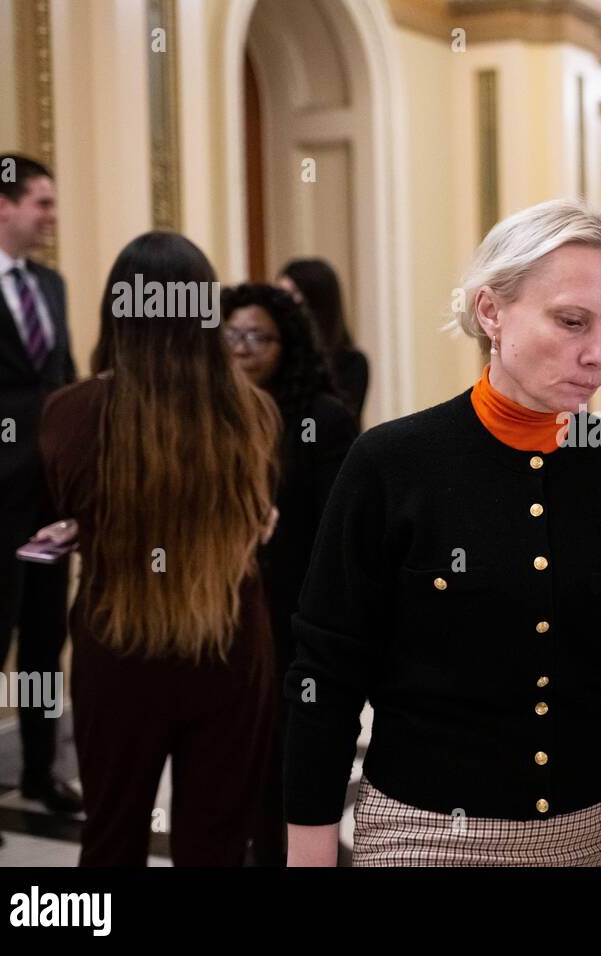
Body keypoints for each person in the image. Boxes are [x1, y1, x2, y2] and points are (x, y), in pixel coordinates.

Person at [285, 198, 601, 867]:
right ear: (490, 311)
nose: (598, 354)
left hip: (596, 834)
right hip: (425, 837)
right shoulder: (392, 465)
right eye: (571, 322)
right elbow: (325, 677)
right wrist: (309, 857)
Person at [38, 232, 281, 866]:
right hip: (227, 649)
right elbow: (256, 523)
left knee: (112, 838)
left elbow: (69, 501)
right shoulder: (253, 413)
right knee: (217, 845)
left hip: (118, 651)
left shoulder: (68, 413)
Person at [0, 154, 80, 851]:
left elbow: (58, 379)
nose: (51, 216)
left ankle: (40, 773)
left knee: (44, 638)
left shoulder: (50, 284)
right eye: (41, 202)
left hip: (46, 499)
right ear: (1, 205)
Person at [221, 282, 358, 865]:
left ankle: (290, 850)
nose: (244, 349)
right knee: (232, 744)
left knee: (289, 742)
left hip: (295, 606)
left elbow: (336, 526)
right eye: (233, 336)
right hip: (220, 606)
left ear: (288, 343)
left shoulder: (322, 417)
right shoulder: (211, 413)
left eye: (259, 337)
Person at [277, 258, 369, 426]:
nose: (283, 306)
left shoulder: (352, 362)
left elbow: (340, 420)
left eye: (292, 296)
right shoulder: (276, 353)